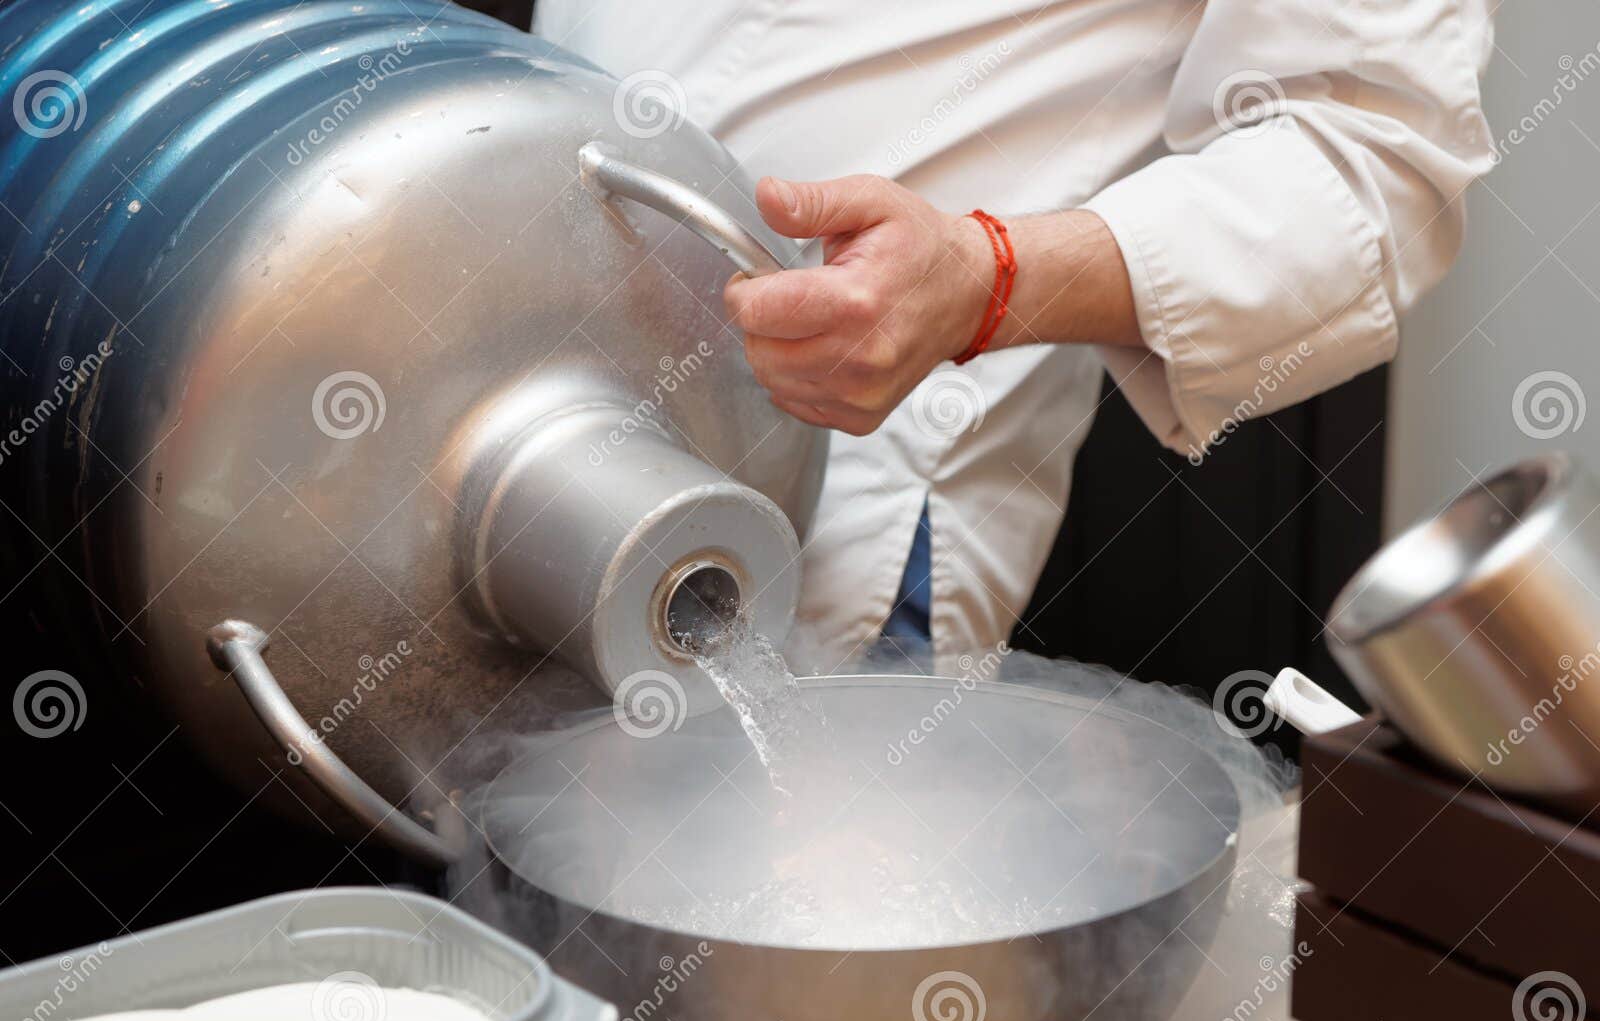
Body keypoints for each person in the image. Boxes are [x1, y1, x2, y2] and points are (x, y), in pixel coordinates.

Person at [534, 1, 1495, 668]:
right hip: (507, 409)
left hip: (826, 520)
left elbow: (1372, 168)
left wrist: (984, 280)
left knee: (725, 945)